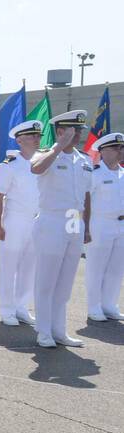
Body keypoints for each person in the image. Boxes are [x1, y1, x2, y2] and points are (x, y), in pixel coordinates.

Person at [30, 110, 94, 348]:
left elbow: (86, 196)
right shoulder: (47, 154)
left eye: (79, 131)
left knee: (65, 282)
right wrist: (58, 147)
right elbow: (35, 168)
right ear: (59, 131)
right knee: (46, 281)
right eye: (72, 130)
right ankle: (43, 331)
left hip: (74, 222)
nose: (77, 135)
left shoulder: (84, 160)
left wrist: (86, 226)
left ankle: (59, 330)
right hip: (52, 220)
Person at [0, 120, 43, 326]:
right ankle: (7, 310)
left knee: (29, 267)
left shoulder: (43, 163)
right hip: (15, 221)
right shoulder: (10, 166)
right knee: (9, 266)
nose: (37, 139)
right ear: (20, 140)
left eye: (38, 135)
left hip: (37, 221)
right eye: (32, 136)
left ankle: (22, 307)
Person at [86, 132, 124, 321]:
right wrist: (83, 228)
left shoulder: (123, 173)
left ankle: (110, 305)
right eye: (116, 148)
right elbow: (83, 202)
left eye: (121, 148)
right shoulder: (95, 174)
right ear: (103, 151)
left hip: (121, 225)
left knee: (116, 268)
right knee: (96, 267)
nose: (120, 151)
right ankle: (94, 307)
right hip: (100, 224)